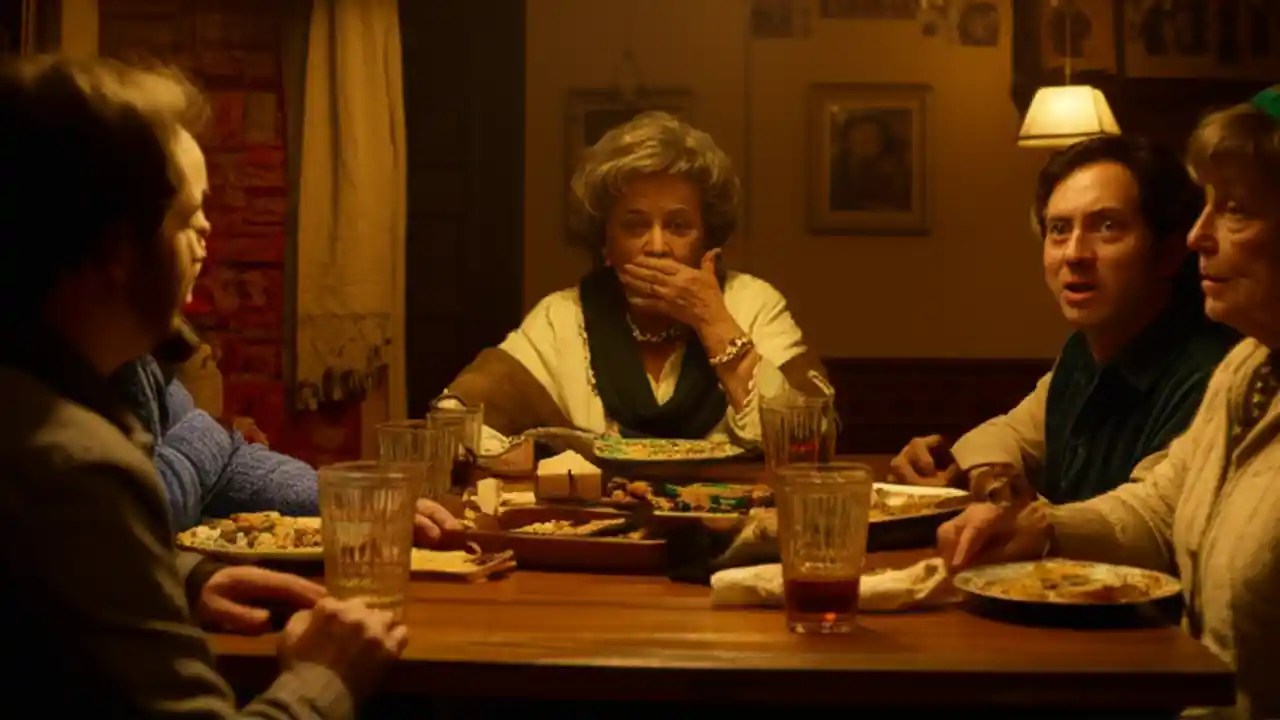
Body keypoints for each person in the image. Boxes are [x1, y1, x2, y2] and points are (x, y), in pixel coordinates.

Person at [0, 55, 404, 717]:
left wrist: (186, 578)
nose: (207, 233)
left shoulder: (93, 375)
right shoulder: (64, 467)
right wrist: (325, 676)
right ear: (116, 251)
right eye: (187, 215)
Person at [937, 87, 1280, 719]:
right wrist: (1033, 522)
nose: (1201, 235)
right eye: (1058, 230)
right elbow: (1157, 510)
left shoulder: (1207, 362)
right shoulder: (1250, 368)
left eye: (1234, 210)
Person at [890, 135, 1238, 504]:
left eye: (1106, 227)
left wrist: (1008, 506)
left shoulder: (1211, 372)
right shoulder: (1086, 351)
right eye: (1058, 229)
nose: (1074, 254)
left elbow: (1145, 520)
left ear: (1169, 252)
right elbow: (1004, 436)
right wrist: (958, 469)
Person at [445, 111, 828, 445]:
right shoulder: (563, 316)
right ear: (605, 243)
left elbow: (807, 434)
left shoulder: (752, 303)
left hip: (734, 523)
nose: (657, 247)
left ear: (707, 238)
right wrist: (523, 455)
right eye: (635, 226)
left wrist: (713, 321)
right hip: (602, 523)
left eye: (678, 226)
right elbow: (453, 420)